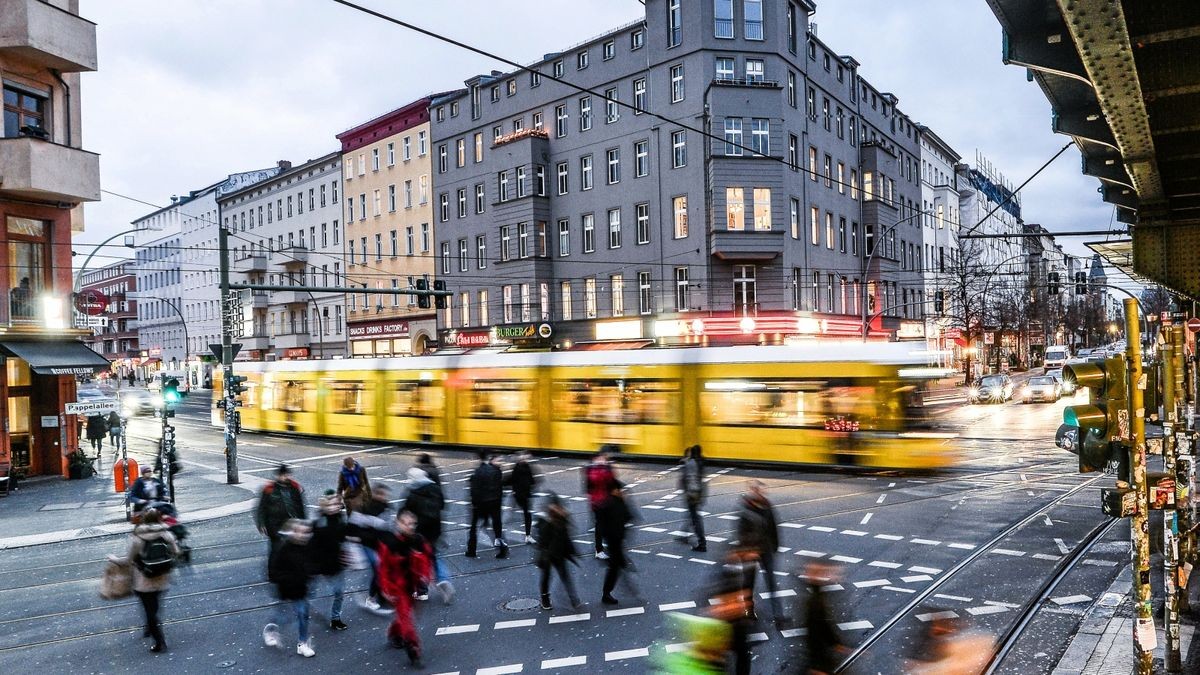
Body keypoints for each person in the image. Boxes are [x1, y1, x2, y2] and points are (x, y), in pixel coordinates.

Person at [377, 510, 432, 667]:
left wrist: (424, 578)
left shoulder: (418, 541)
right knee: (406, 618)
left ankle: (394, 632)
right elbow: (383, 568)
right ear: (398, 523)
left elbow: (426, 560)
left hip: (411, 586)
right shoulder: (390, 544)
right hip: (397, 588)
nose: (410, 527)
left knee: (403, 615)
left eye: (412, 524)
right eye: (406, 523)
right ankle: (413, 648)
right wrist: (386, 590)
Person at [127, 508, 181, 653]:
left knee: (149, 611)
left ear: (144, 520)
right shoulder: (166, 534)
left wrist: (114, 560)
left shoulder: (138, 538)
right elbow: (176, 552)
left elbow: (130, 559)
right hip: (162, 577)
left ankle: (159, 640)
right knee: (155, 608)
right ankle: (152, 628)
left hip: (143, 579)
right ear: (159, 519)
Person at [401, 466, 454, 602]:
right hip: (435, 530)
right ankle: (443, 580)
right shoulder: (435, 488)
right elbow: (443, 505)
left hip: (419, 534)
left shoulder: (412, 494)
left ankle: (422, 590)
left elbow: (405, 512)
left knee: (418, 561)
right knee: (437, 556)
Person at [264, 519, 315, 657]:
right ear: (291, 533)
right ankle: (271, 629)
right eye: (298, 532)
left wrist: (309, 574)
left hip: (300, 589)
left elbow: (310, 563)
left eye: (305, 533)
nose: (302, 535)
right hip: (287, 588)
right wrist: (288, 580)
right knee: (284, 616)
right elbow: (274, 571)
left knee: (302, 614)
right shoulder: (282, 548)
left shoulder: (307, 547)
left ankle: (302, 643)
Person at [707, 546, 759, 675]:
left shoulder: (732, 572)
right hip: (732, 624)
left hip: (733, 624)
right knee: (740, 656)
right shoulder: (732, 574)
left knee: (733, 657)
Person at [737, 480, 782, 623]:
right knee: (749, 582)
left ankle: (778, 614)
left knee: (771, 581)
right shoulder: (745, 508)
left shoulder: (767, 505)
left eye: (761, 490)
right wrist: (747, 551)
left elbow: (773, 527)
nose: (760, 493)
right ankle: (749, 610)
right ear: (751, 490)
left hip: (765, 549)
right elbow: (741, 533)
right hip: (750, 551)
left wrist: (774, 546)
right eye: (756, 490)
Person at [349, 483, 393, 615]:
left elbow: (387, 528)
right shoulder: (365, 508)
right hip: (367, 544)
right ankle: (372, 598)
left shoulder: (387, 507)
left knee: (381, 569)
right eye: (380, 494)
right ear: (374, 494)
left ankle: (381, 596)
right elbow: (352, 528)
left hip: (380, 544)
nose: (383, 497)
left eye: (384, 495)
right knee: (377, 568)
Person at [535, 493, 581, 610]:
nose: (557, 509)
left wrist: (573, 550)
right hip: (547, 554)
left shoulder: (562, 518)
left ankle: (573, 598)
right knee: (546, 576)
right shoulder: (544, 520)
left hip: (559, 552)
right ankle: (545, 598)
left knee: (565, 575)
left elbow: (566, 536)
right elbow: (542, 539)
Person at [309, 492, 348, 631]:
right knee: (310, 592)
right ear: (325, 505)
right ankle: (303, 610)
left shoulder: (341, 519)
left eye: (336, 504)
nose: (333, 507)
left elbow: (343, 537)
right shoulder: (319, 521)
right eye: (330, 504)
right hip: (318, 563)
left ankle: (335, 619)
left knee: (339, 592)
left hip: (335, 563)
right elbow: (311, 544)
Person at [800, 561, 846, 675]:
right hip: (819, 658)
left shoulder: (817, 596)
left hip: (820, 656)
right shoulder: (815, 601)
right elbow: (814, 631)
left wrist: (835, 644)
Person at [597, 482, 634, 605]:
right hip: (613, 540)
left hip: (616, 539)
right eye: (619, 490)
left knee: (616, 565)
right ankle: (607, 593)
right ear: (614, 490)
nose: (622, 492)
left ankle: (609, 592)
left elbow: (628, 516)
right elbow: (603, 523)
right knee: (615, 566)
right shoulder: (608, 503)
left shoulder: (617, 501)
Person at [256, 464, 305, 556]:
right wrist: (261, 523)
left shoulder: (295, 487)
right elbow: (262, 507)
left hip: (292, 523)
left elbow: (300, 506)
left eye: (287, 475)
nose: (285, 477)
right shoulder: (269, 489)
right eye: (283, 475)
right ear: (278, 476)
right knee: (276, 549)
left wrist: (303, 521)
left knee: (292, 548)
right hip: (274, 525)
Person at [466, 453, 507, 559]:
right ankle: (502, 549)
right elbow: (499, 488)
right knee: (497, 528)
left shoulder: (478, 472)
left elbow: (475, 491)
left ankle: (471, 550)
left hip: (480, 504)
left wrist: (474, 503)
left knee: (474, 528)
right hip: (494, 503)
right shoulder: (495, 471)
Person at [584, 447, 618, 558]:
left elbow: (612, 483)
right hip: (598, 502)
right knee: (600, 526)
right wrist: (604, 468)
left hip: (605, 501)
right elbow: (592, 484)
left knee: (605, 524)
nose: (604, 459)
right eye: (602, 457)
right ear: (597, 458)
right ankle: (599, 550)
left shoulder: (604, 468)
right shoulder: (593, 470)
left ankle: (603, 547)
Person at [679, 445, 707, 552]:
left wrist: (690, 494)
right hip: (698, 494)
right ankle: (686, 535)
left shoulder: (691, 463)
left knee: (695, 519)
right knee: (693, 516)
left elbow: (691, 479)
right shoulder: (700, 462)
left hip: (692, 494)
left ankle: (702, 543)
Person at [508, 451, 539, 543]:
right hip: (521, 495)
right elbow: (529, 480)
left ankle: (528, 535)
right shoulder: (520, 467)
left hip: (522, 494)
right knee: (527, 514)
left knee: (527, 514)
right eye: (525, 457)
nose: (527, 458)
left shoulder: (521, 466)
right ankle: (528, 536)